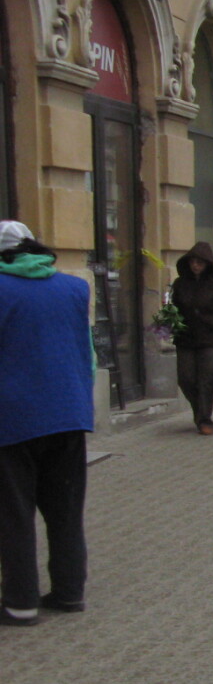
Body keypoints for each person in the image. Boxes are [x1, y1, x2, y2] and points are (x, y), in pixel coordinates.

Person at [0, 221, 93, 625]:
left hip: (13, 418)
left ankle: (20, 604)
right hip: (69, 413)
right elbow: (84, 351)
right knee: (66, 511)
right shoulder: (75, 289)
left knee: (14, 515)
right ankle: (70, 593)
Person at [169, 241, 213, 435]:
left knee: (206, 379)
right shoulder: (180, 284)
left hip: (211, 340)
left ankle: (205, 419)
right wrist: (169, 321)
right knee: (186, 378)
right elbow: (173, 308)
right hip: (186, 338)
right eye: (192, 262)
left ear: (208, 264)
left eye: (200, 262)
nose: (195, 265)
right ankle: (199, 411)